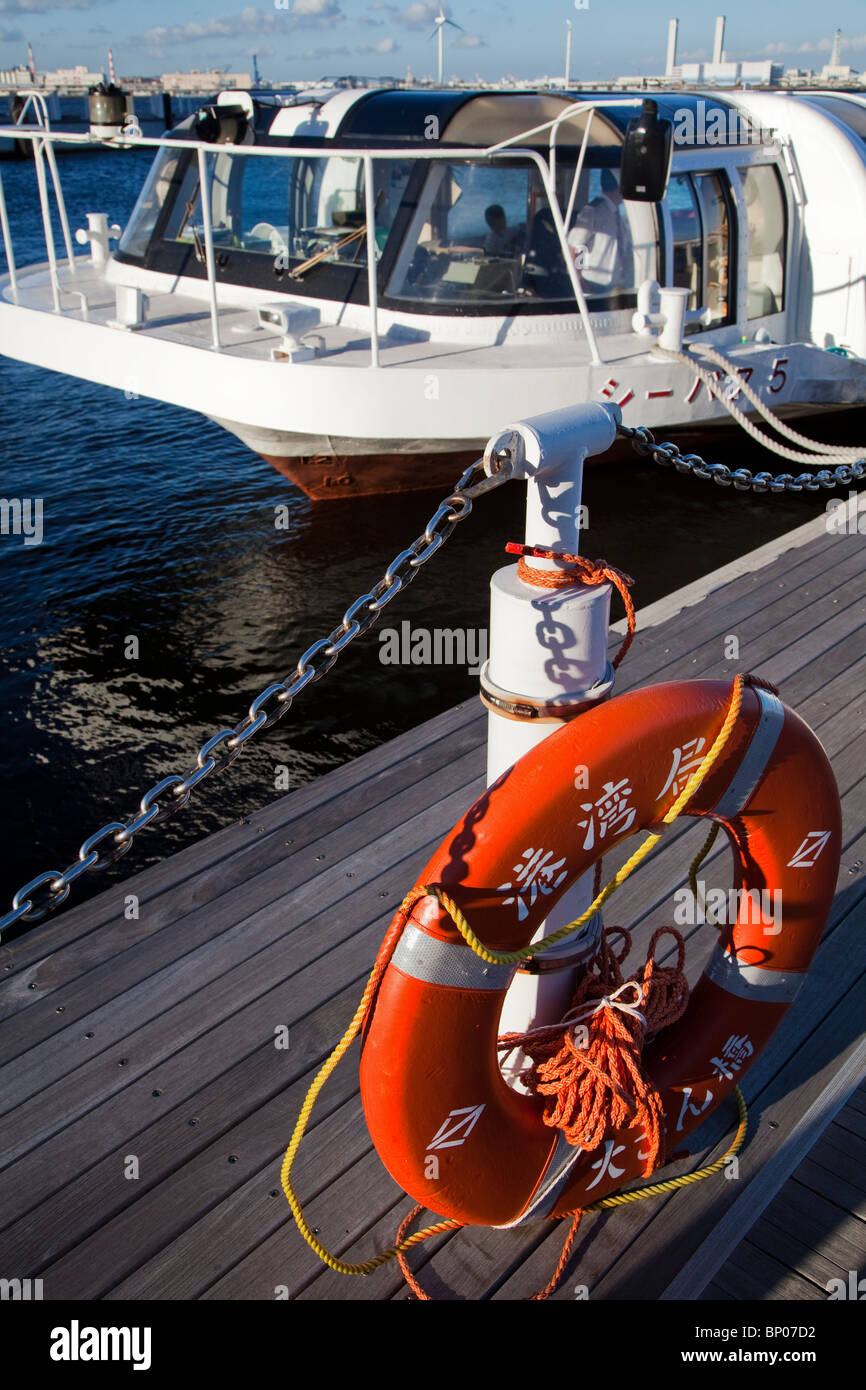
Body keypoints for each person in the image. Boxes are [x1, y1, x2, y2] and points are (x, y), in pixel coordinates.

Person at [567, 170, 633, 293]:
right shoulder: (593, 211)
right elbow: (576, 247)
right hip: (593, 284)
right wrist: (578, 278)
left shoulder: (617, 214)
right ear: (619, 187)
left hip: (615, 285)